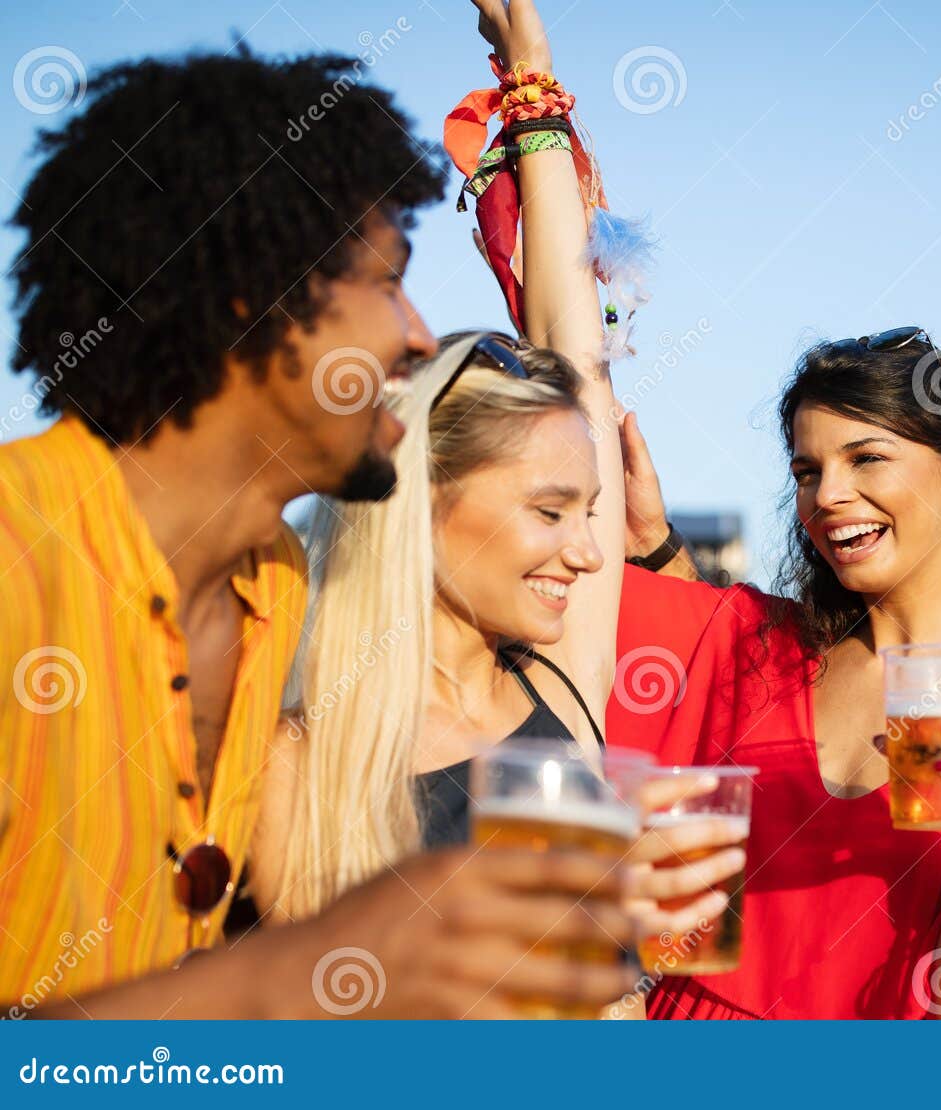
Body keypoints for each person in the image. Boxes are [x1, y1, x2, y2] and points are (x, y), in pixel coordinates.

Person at [0, 45, 636, 1018]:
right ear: (253, 298)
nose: (418, 334)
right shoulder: (18, 559)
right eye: (388, 282)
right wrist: (337, 961)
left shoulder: (276, 584)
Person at [249, 1, 743, 998]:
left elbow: (577, 352)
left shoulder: (561, 679)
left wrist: (532, 82)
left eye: (587, 512)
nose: (590, 553)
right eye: (550, 512)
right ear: (423, 500)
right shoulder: (302, 763)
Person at [610, 332, 941, 1019]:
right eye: (807, 471)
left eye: (866, 458)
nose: (828, 494)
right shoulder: (759, 647)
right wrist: (645, 537)